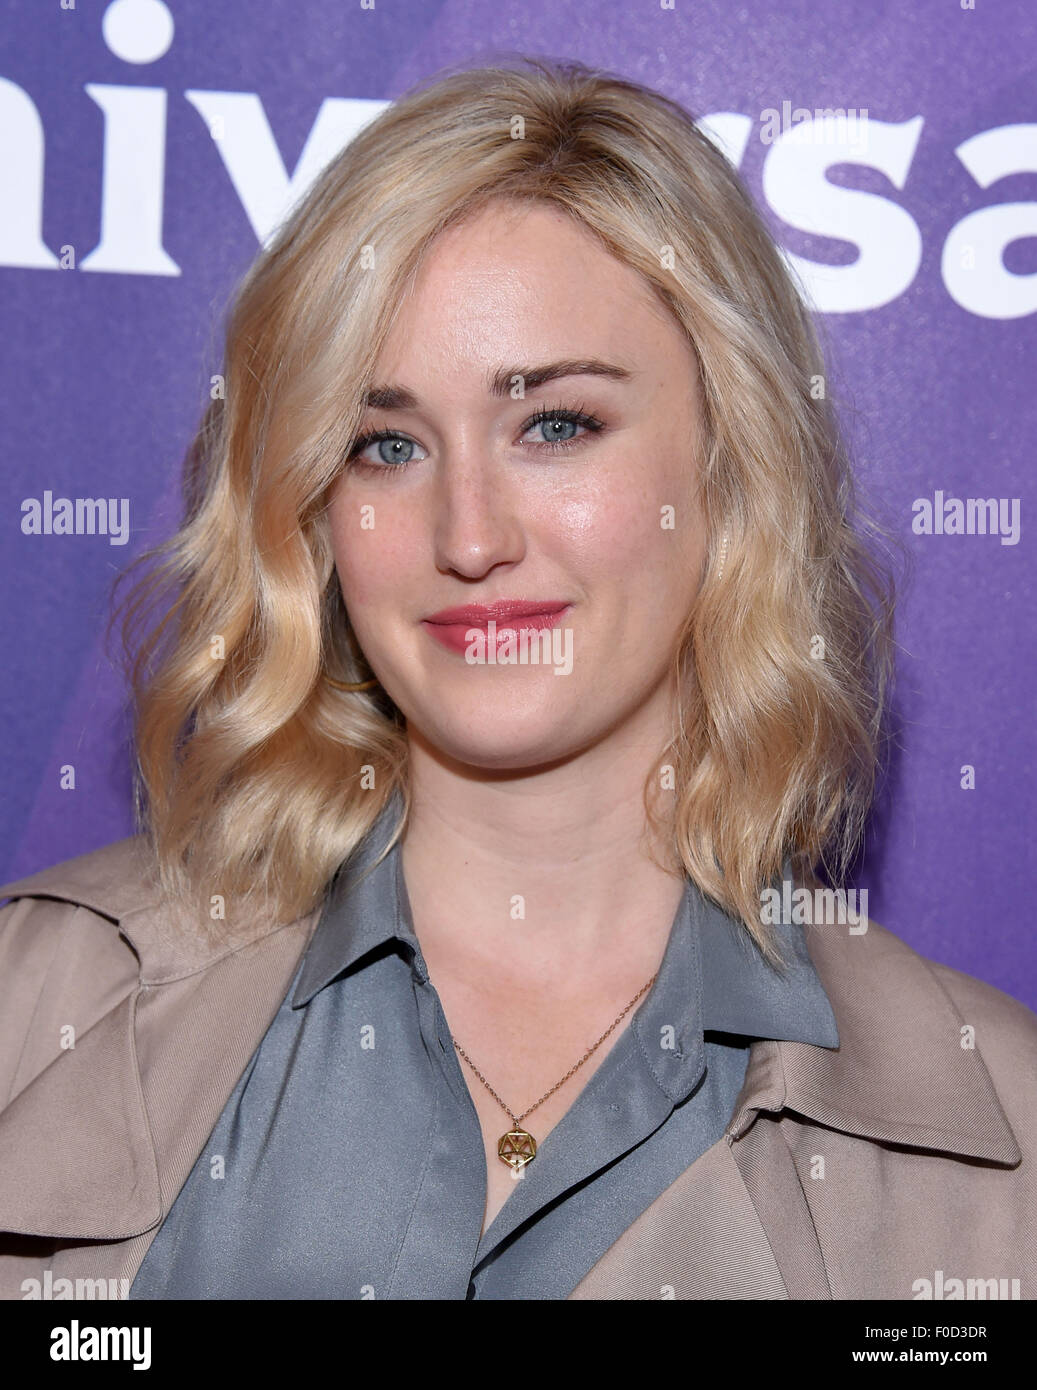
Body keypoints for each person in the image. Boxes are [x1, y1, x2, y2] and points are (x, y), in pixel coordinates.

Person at [1, 56, 1034, 1302]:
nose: (469, 535)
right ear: (314, 515)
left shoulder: (998, 1141)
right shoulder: (40, 1004)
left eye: (554, 425)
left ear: (727, 463)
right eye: (384, 446)